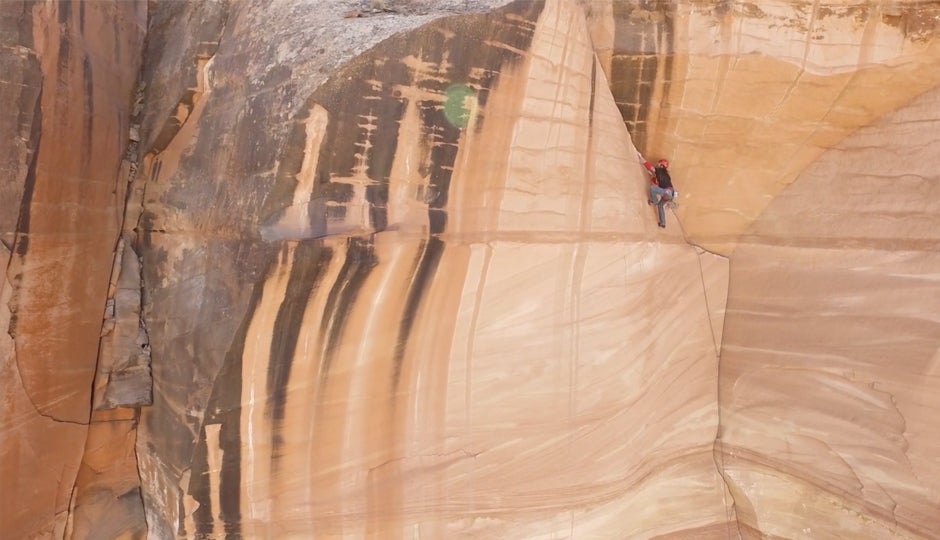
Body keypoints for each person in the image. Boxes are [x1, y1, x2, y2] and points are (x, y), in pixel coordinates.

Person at [642, 158, 677, 228]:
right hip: (670, 194)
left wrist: (642, 159)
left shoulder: (660, 170)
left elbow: (651, 168)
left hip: (667, 192)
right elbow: (658, 182)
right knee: (660, 206)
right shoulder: (665, 174)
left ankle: (654, 201)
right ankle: (663, 223)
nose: (657, 164)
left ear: (661, 165)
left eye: (659, 163)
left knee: (653, 188)